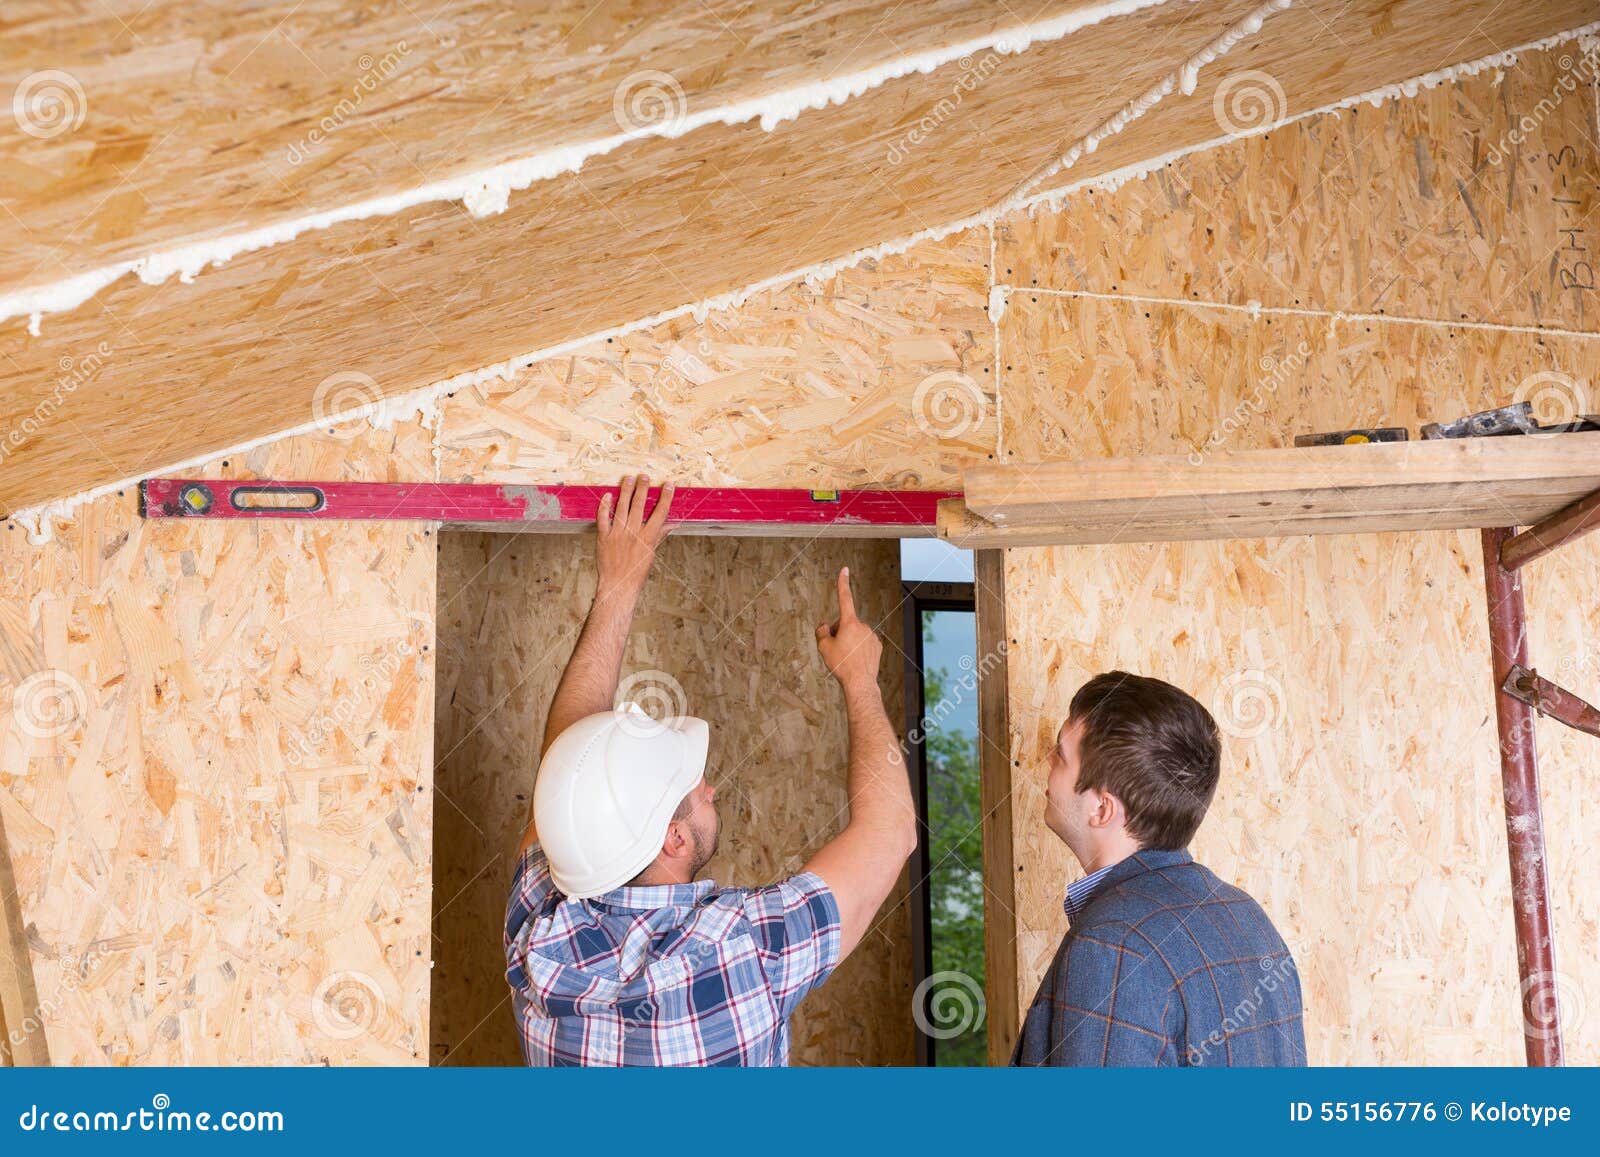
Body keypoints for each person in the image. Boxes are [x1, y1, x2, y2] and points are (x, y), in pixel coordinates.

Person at [504, 475, 916, 1066]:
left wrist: (621, 584)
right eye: (695, 790)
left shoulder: (539, 940)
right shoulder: (739, 949)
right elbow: (891, 833)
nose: (711, 786)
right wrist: (860, 680)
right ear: (673, 838)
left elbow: (572, 768)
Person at [1013, 671, 1306, 1066]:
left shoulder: (1112, 947)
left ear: (1102, 809)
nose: (1046, 760)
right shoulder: (1246, 916)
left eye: (1061, 756)